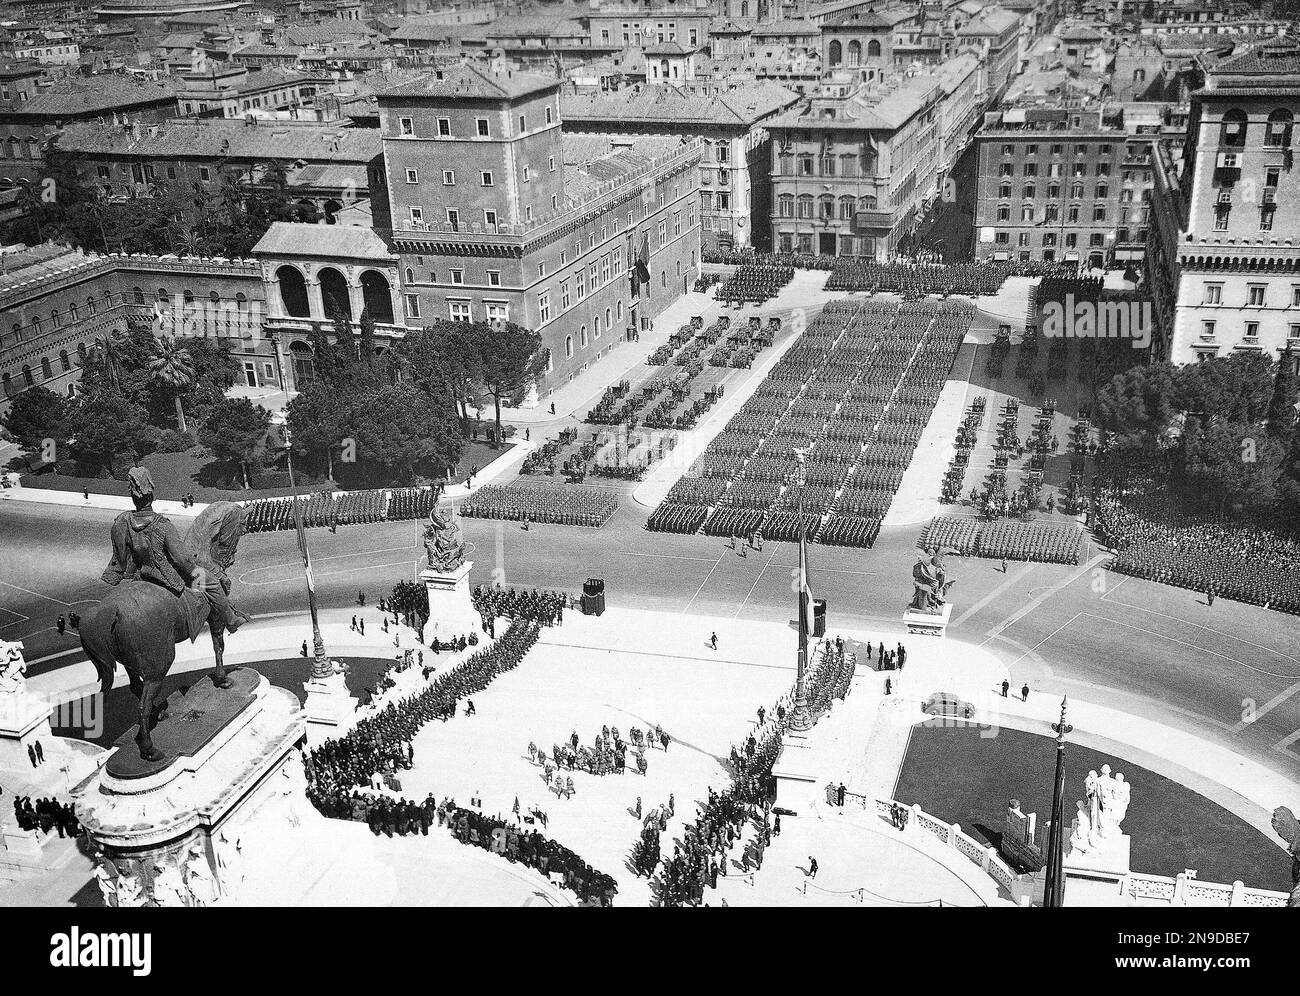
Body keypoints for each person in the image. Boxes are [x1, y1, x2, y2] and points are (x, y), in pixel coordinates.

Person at [101, 466, 247, 633]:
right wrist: (196, 568)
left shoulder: (122, 522)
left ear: (132, 496)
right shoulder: (162, 525)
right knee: (212, 583)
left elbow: (119, 560)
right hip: (165, 576)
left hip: (140, 575)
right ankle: (230, 619)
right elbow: (181, 560)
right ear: (151, 495)